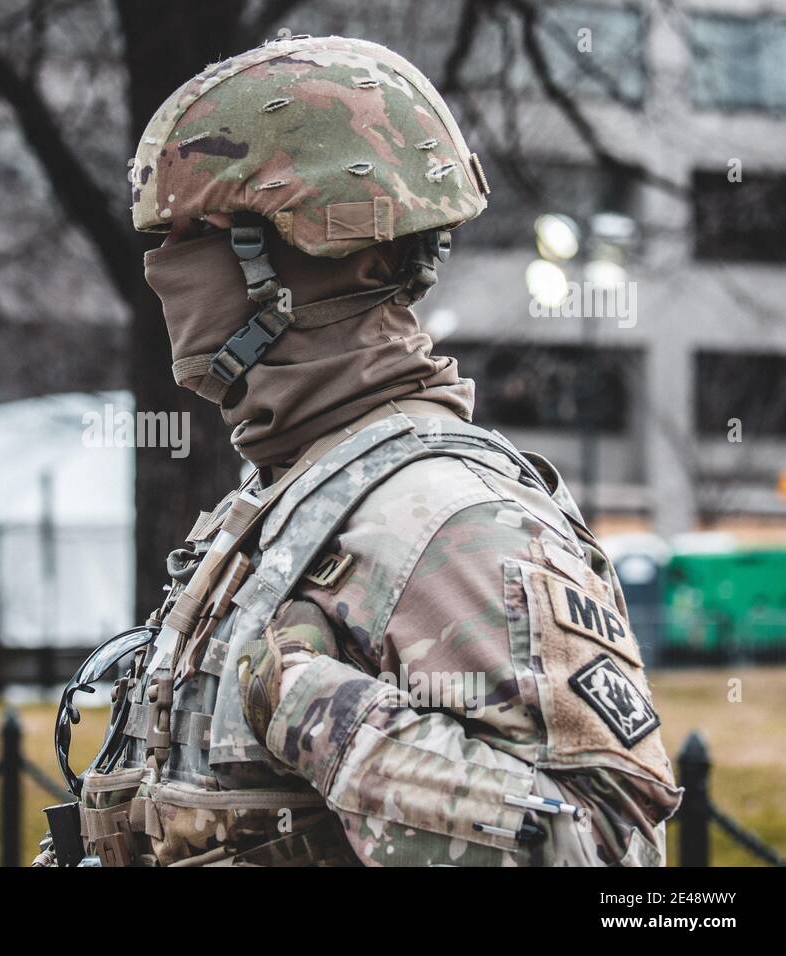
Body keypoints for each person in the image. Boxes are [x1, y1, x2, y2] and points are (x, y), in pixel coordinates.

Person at [42, 34, 679, 867]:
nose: (164, 267)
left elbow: (606, 848)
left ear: (317, 255)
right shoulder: (289, 502)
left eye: (199, 233)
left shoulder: (447, 518)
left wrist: (315, 711)